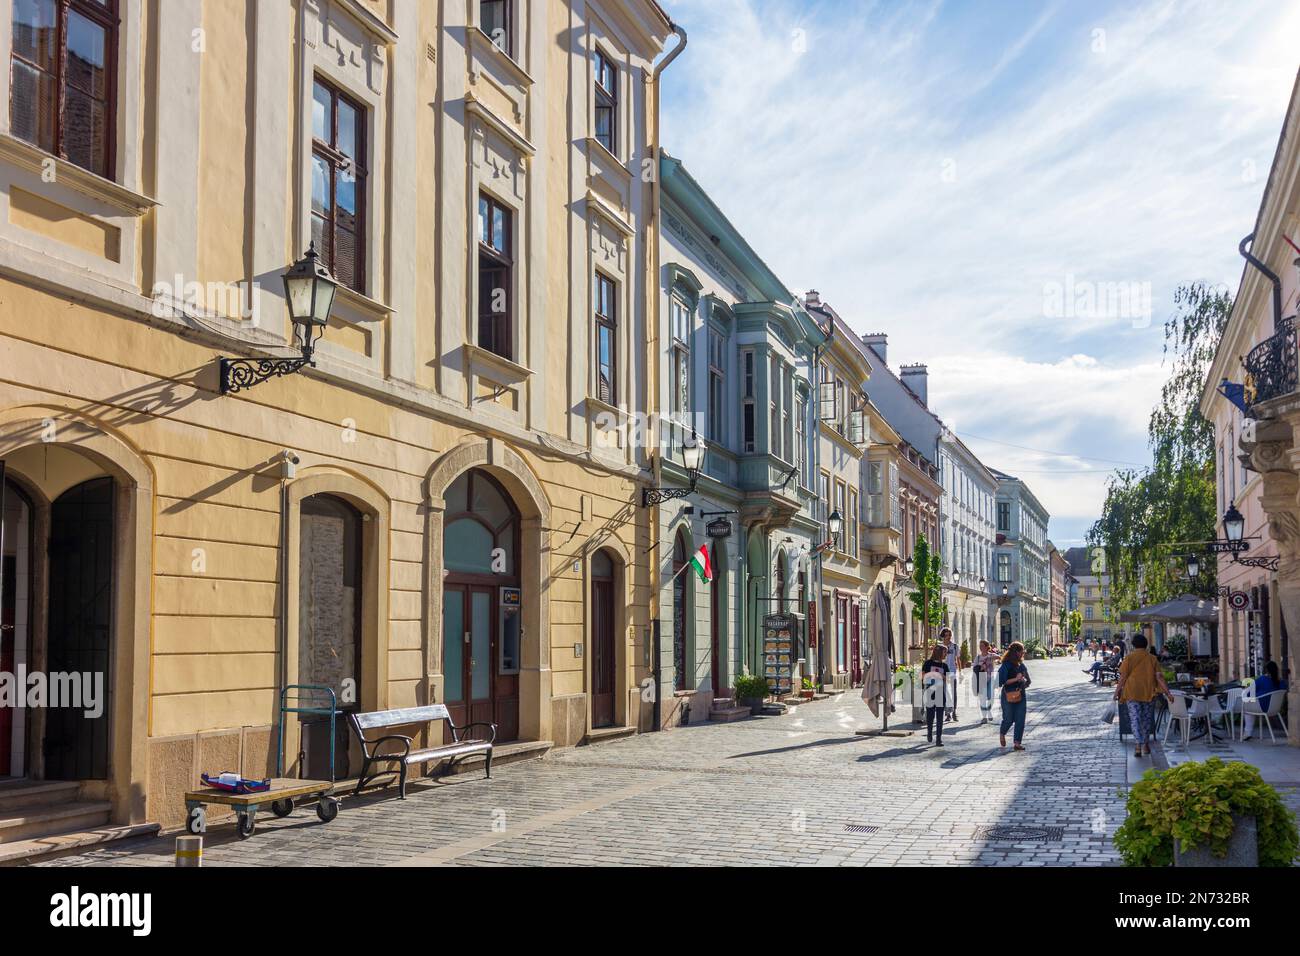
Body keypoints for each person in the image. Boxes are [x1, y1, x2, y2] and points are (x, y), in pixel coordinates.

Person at [1114, 633, 1172, 758]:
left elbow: (1123, 677)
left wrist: (1116, 692)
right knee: (1146, 719)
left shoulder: (1129, 658)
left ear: (1134, 645)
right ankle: (1145, 744)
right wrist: (1168, 692)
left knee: (1135, 719)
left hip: (1132, 692)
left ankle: (1137, 745)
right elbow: (1159, 677)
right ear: (1146, 645)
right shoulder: (1152, 658)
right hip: (1148, 692)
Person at [997, 641, 1031, 750]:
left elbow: (1028, 681)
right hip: (1008, 694)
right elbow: (1002, 681)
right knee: (1008, 719)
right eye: (1022, 652)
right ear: (1016, 652)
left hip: (1020, 694)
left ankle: (1017, 743)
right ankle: (1002, 733)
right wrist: (1016, 679)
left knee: (1020, 719)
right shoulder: (1006, 665)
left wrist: (1023, 681)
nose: (1023, 654)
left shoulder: (1021, 665)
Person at [1243, 661, 1289, 740]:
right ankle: (1247, 733)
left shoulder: (1262, 679)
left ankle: (1247, 733)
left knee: (1246, 708)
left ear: (1266, 670)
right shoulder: (1281, 682)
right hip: (1275, 709)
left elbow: (1248, 693)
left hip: (1261, 707)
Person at [921, 644, 950, 746]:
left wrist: (942, 676)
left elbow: (948, 679)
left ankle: (939, 739)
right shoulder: (928, 663)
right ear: (939, 652)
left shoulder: (944, 666)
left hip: (940, 694)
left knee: (940, 717)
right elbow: (923, 677)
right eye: (944, 652)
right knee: (930, 716)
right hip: (929, 693)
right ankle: (929, 732)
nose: (946, 654)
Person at [973, 639, 999, 723]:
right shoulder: (978, 657)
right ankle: (984, 717)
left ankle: (989, 710)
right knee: (982, 698)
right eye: (980, 646)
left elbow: (999, 657)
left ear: (987, 647)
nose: (980, 647)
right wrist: (981, 667)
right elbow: (974, 668)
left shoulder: (991, 655)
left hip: (990, 679)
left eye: (982, 646)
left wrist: (992, 658)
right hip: (981, 679)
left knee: (991, 697)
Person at [939, 627, 960, 721]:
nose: (949, 637)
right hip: (942, 672)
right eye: (947, 635)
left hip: (952, 671)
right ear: (943, 636)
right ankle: (948, 713)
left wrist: (960, 672)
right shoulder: (939, 647)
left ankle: (954, 712)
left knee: (953, 692)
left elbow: (958, 659)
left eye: (950, 635)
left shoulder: (955, 646)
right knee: (944, 693)